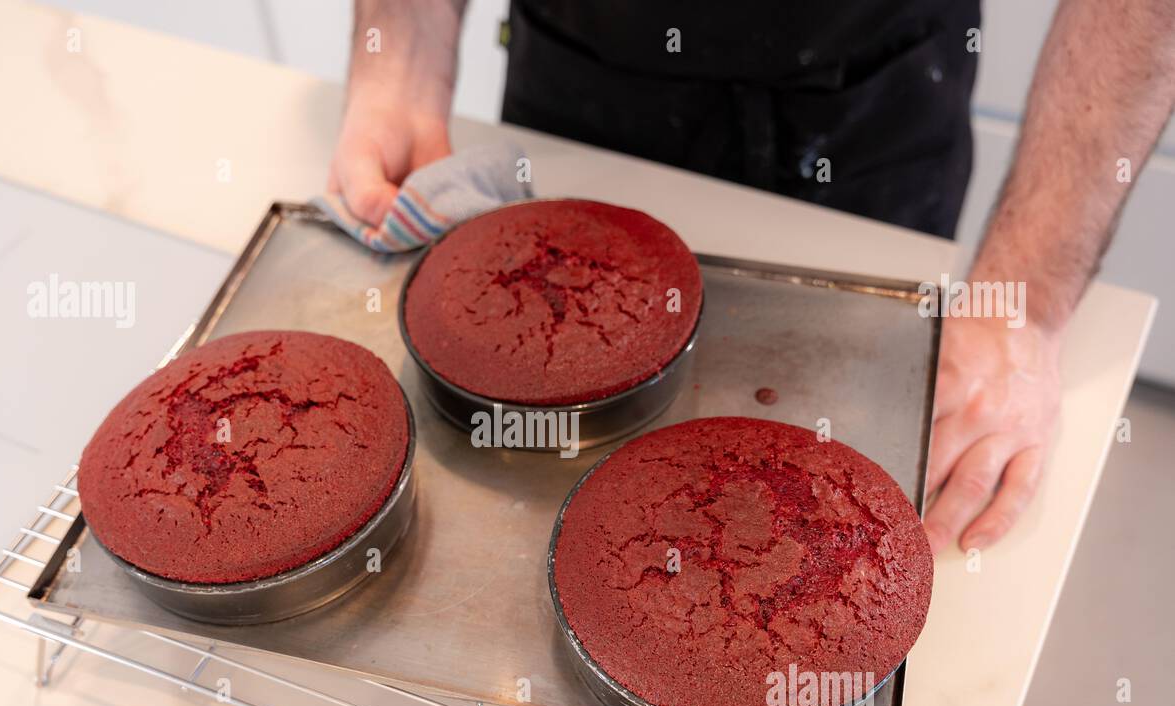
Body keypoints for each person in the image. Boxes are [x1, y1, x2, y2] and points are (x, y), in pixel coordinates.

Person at [328, 0, 1175, 554]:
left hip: (867, 96)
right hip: (583, 69)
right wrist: (401, 56)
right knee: (524, 480)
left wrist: (1019, 304)